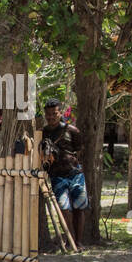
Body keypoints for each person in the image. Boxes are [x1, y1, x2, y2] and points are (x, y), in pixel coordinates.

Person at [40, 98, 87, 249]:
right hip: (56, 176)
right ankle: (71, 241)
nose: (51, 117)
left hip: (75, 174)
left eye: (54, 113)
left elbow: (79, 150)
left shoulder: (72, 130)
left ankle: (78, 242)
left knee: (79, 207)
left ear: (60, 113)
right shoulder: (43, 133)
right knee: (64, 208)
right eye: (48, 114)